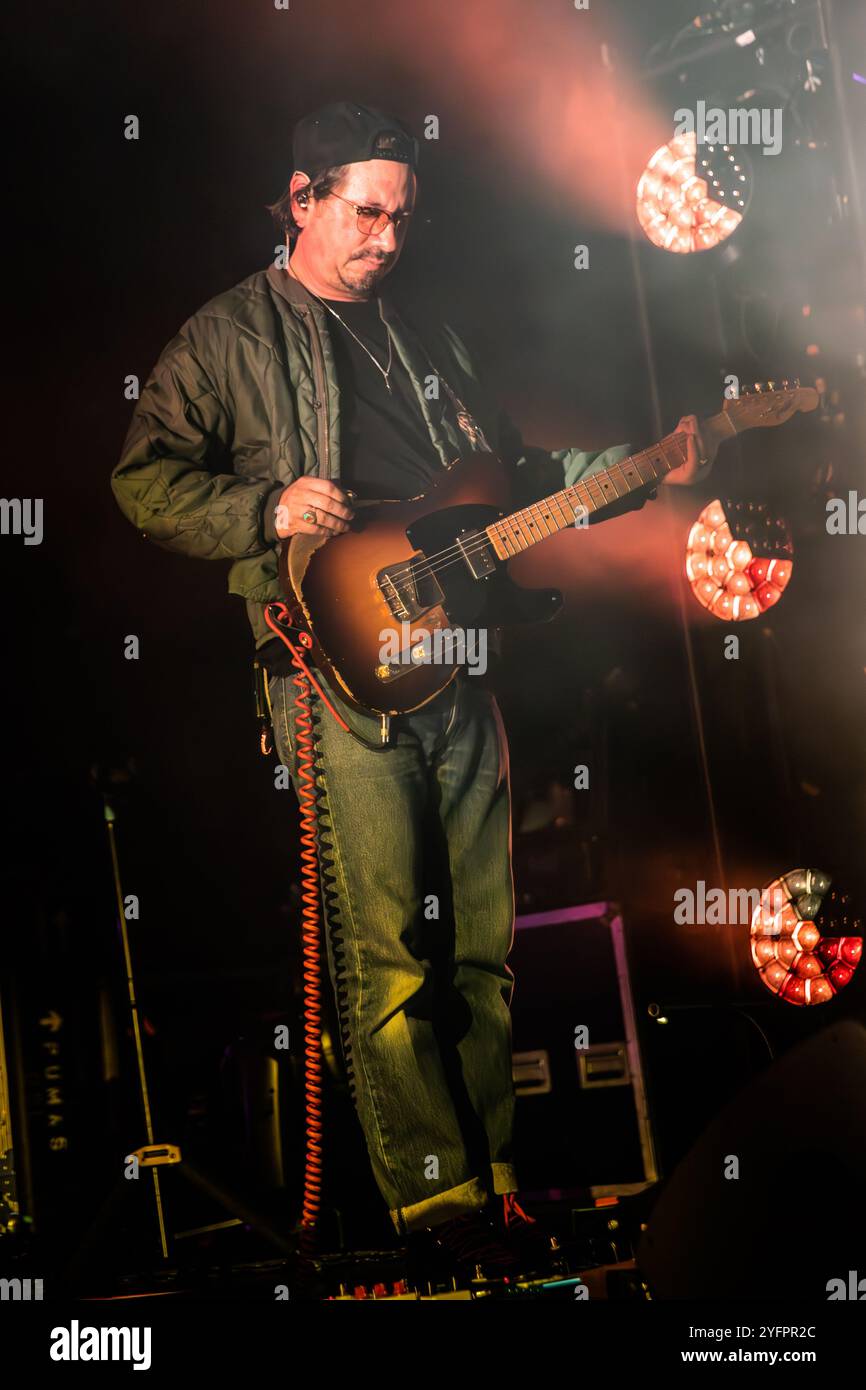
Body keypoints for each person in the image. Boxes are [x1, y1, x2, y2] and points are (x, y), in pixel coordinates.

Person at [111, 100, 719, 1278]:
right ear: (302, 198)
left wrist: (645, 466)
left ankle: (493, 1191)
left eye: (401, 216)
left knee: (482, 950)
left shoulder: (424, 336)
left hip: (454, 663)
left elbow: (513, 477)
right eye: (364, 211)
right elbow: (142, 480)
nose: (387, 237)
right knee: (386, 958)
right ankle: (433, 1215)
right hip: (328, 676)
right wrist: (262, 508)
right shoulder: (229, 335)